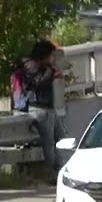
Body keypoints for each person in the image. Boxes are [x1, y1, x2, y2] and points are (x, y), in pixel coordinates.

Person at [20, 40, 64, 180]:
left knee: (61, 139)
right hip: (40, 108)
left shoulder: (43, 67)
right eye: (51, 55)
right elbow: (38, 83)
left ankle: (60, 169)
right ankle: (51, 173)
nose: (52, 58)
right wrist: (51, 71)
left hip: (49, 108)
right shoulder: (30, 66)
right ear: (44, 55)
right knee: (49, 142)